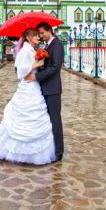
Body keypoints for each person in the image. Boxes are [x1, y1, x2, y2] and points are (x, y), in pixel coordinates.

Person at [0, 28, 56, 165]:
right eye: (36, 36)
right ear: (28, 37)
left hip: (34, 86)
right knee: (24, 117)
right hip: (28, 87)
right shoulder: (25, 50)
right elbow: (21, 71)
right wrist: (38, 63)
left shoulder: (31, 49)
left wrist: (39, 61)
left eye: (38, 35)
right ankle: (17, 152)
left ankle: (31, 153)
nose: (38, 38)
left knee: (35, 117)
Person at [25, 22, 64, 161]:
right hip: (45, 87)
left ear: (49, 31)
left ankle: (59, 151)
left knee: (55, 120)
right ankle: (50, 148)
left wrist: (36, 76)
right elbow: (47, 65)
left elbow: (55, 67)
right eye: (39, 34)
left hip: (52, 89)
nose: (40, 36)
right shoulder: (47, 45)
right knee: (48, 121)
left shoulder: (57, 44)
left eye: (42, 33)